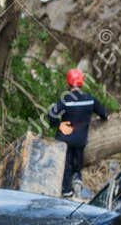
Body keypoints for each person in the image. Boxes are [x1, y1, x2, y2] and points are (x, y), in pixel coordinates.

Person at [46, 68, 110, 197]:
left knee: (67, 165)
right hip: (81, 139)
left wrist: (59, 125)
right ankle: (78, 180)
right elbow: (104, 114)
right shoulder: (90, 99)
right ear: (82, 82)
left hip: (65, 139)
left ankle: (67, 191)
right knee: (77, 162)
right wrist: (104, 117)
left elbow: (51, 115)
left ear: (68, 83)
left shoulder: (65, 100)